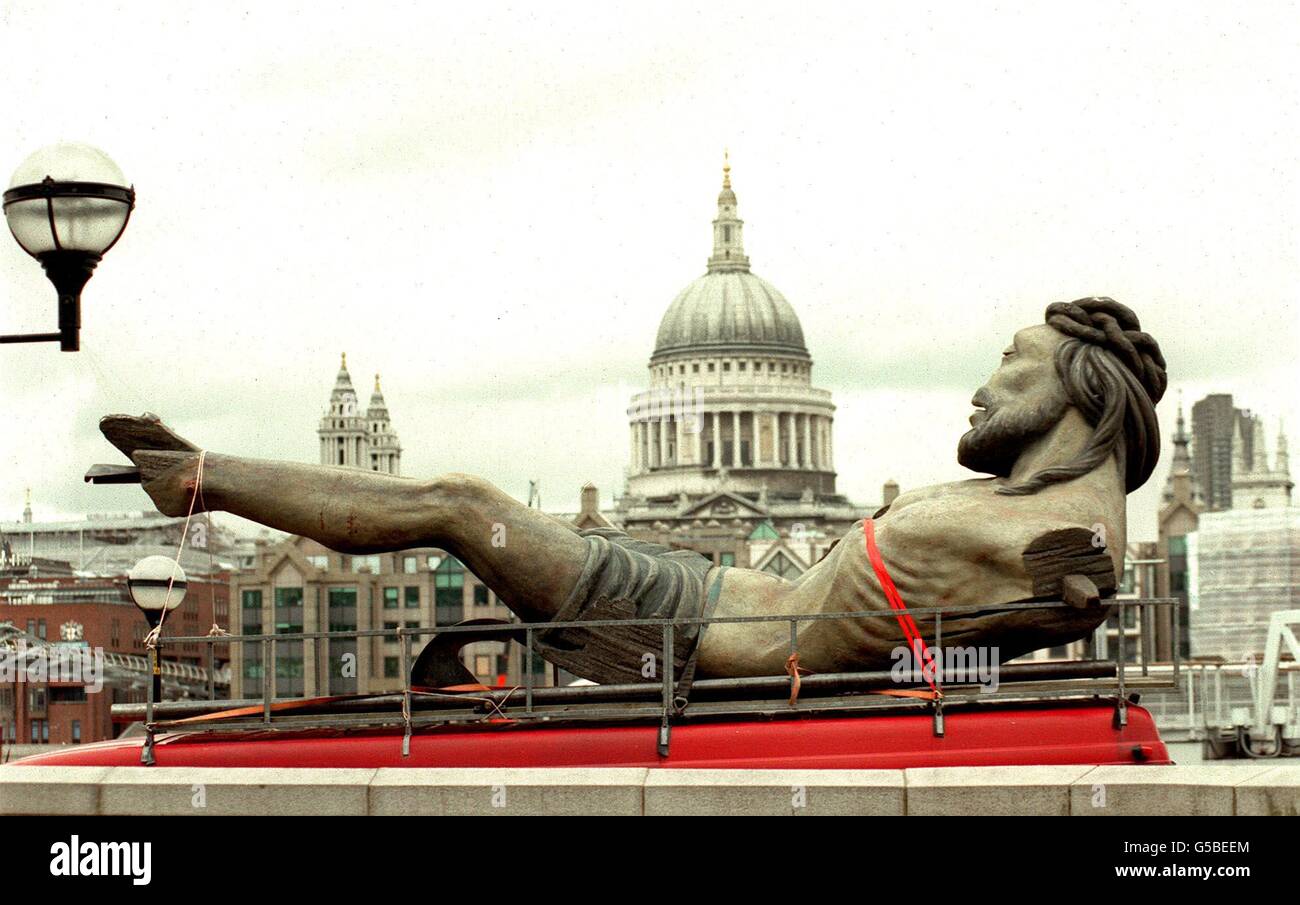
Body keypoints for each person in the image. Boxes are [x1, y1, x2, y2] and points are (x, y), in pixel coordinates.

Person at [107, 297, 1166, 683]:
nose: (984, 385)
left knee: (454, 499)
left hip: (692, 634)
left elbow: (1062, 588)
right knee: (456, 497)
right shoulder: (1042, 519)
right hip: (697, 593)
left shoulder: (1061, 540)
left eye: (1010, 361)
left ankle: (196, 477)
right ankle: (195, 475)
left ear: (1078, 384)